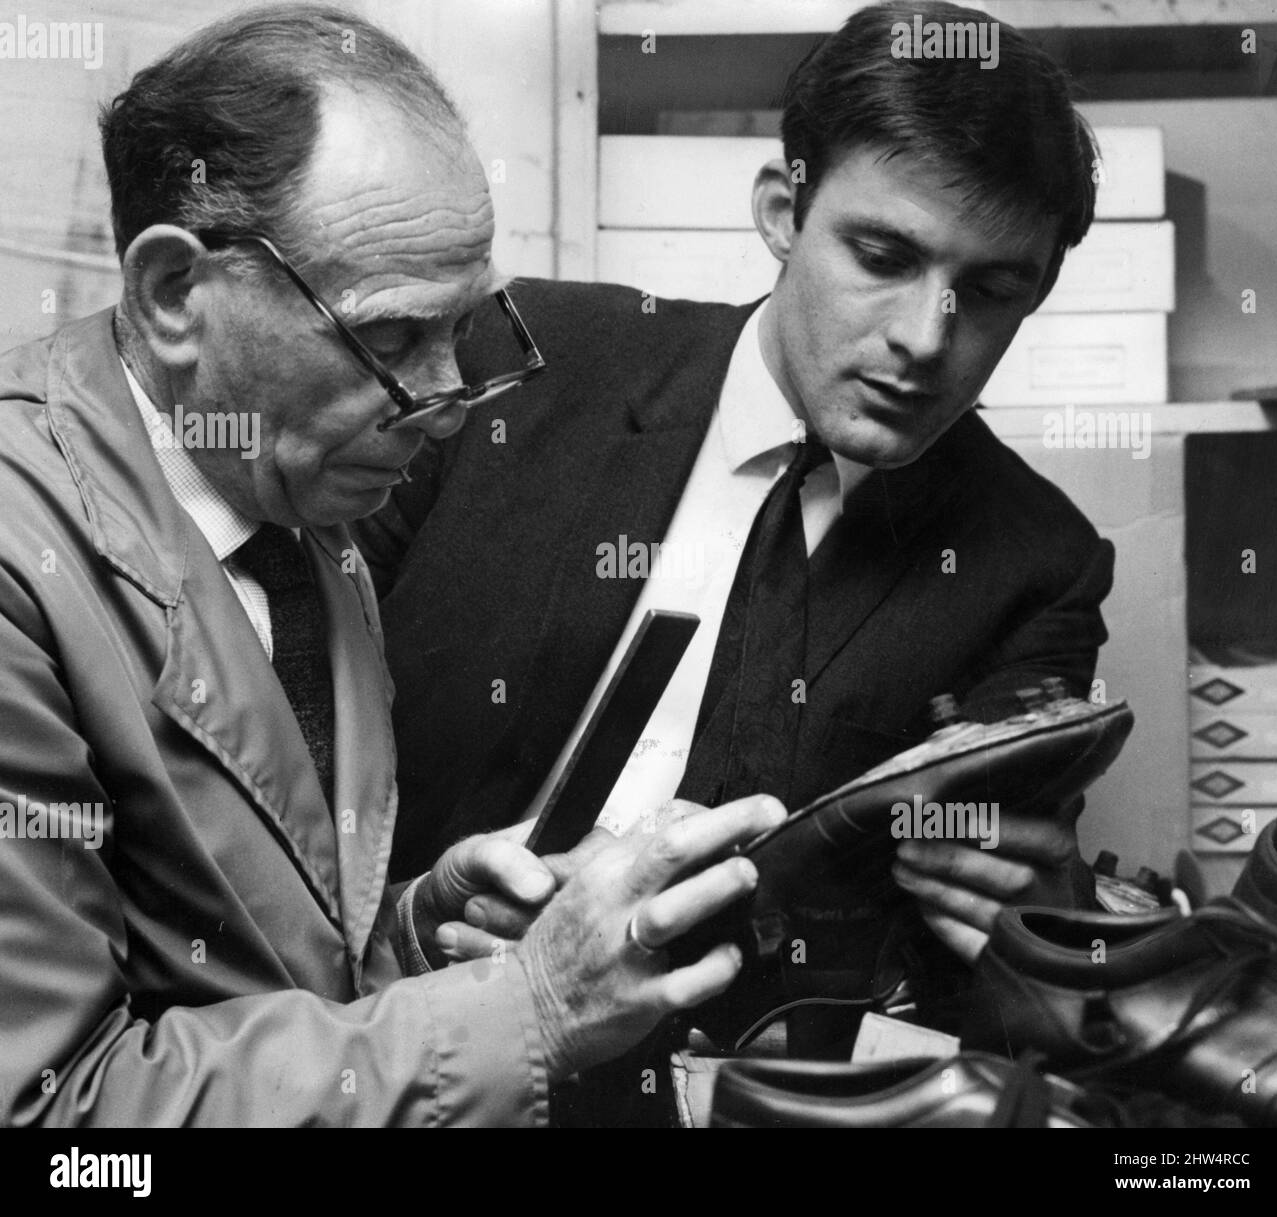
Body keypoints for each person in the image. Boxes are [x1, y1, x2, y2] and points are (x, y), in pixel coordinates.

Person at [0, 4, 782, 1128]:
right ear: (176, 294)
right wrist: (530, 1006)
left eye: (463, 331)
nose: (448, 405)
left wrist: (412, 934)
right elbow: (58, 1116)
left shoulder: (287, 494)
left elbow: (260, 973)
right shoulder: (18, 561)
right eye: (391, 338)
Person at [359, 0, 1115, 995]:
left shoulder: (1037, 566)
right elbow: (282, 729)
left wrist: (1049, 930)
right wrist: (409, 923)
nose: (925, 340)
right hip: (400, 1026)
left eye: (989, 292)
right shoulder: (520, 359)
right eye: (882, 259)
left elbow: (977, 954)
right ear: (780, 211)